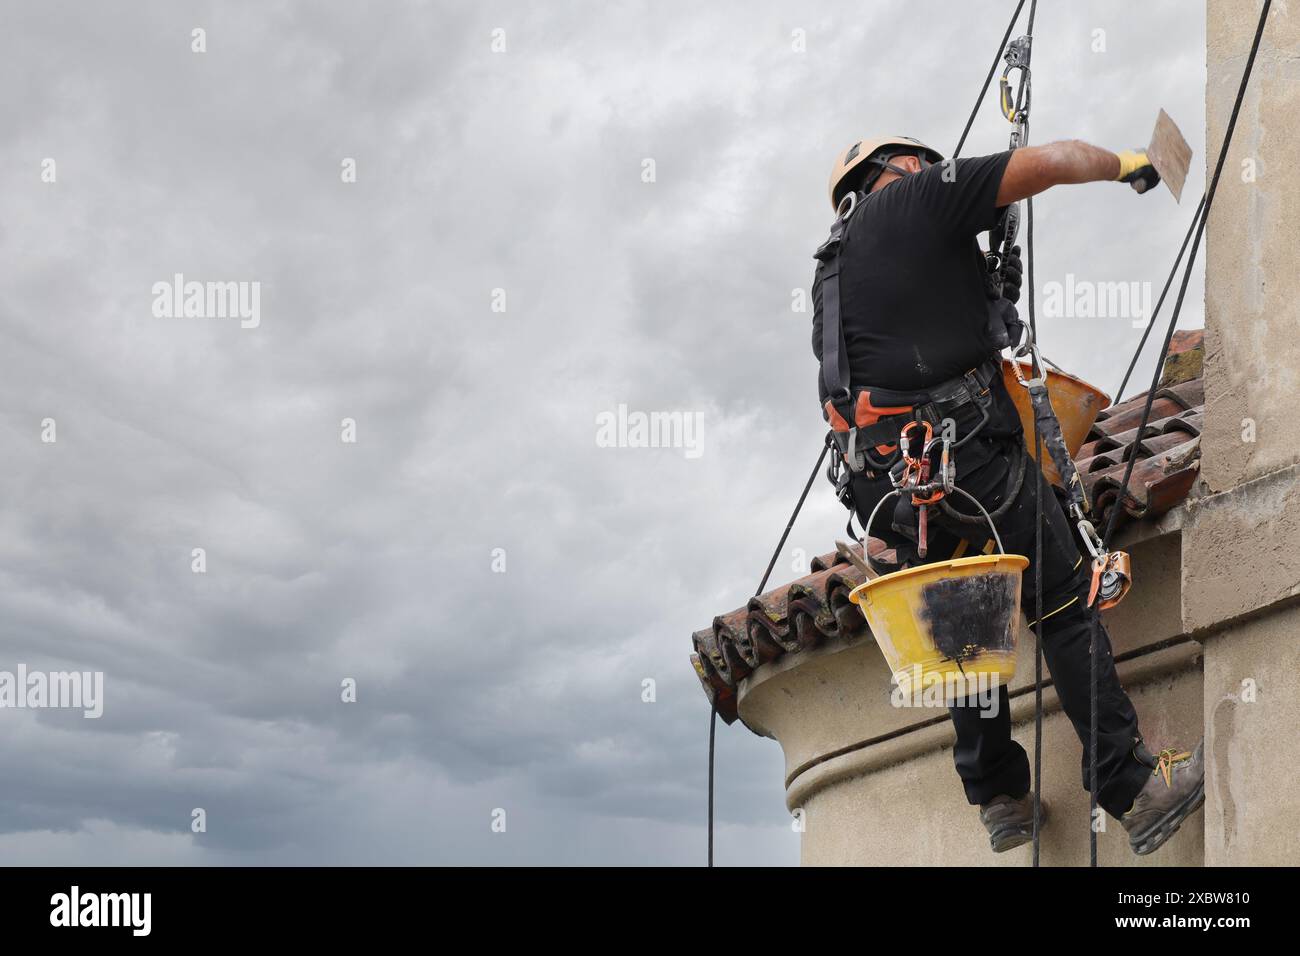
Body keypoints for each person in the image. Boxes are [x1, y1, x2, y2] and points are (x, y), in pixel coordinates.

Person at [811, 136, 1204, 855]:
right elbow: (1045, 164)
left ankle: (1000, 797)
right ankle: (1134, 788)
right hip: (964, 454)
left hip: (890, 486)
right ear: (896, 170)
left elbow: (917, 340)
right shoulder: (915, 197)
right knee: (1062, 600)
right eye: (923, 165)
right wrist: (1128, 163)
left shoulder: (835, 270)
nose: (932, 172)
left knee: (966, 620)